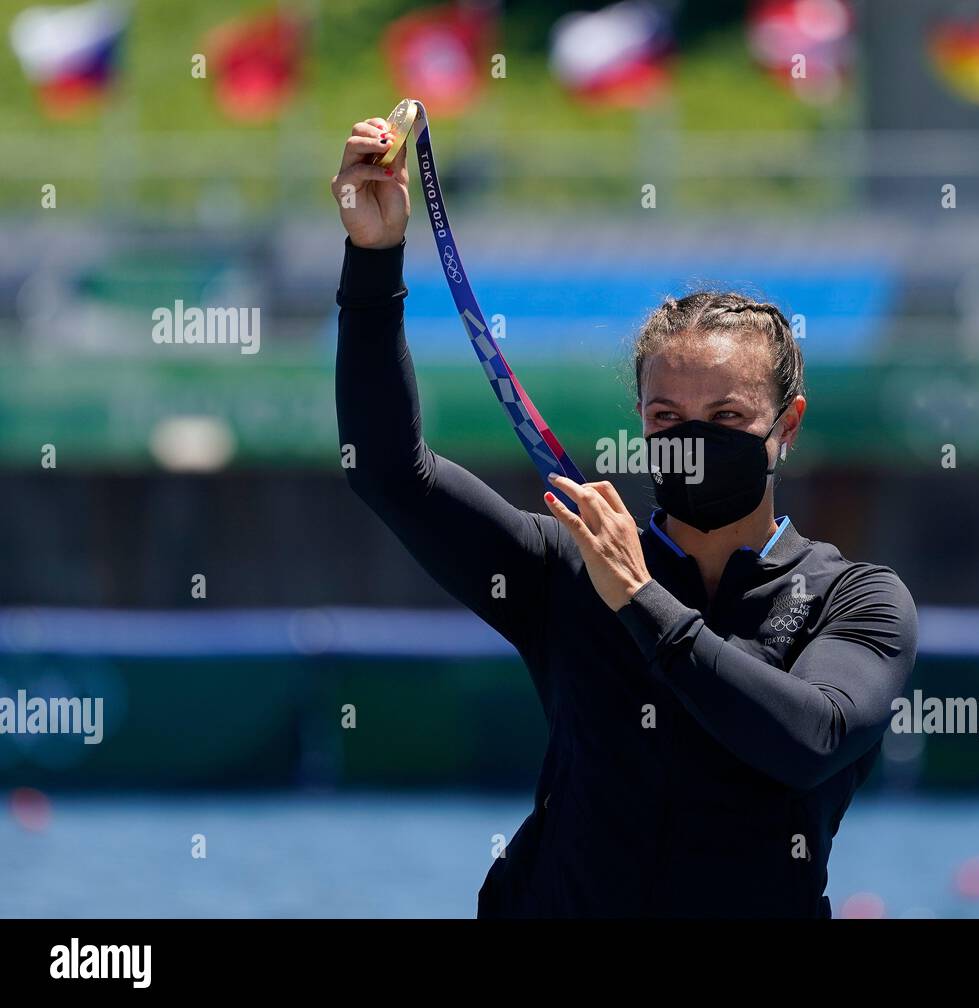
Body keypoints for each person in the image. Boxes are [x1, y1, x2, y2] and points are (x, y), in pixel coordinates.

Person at [332, 115, 918, 918]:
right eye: (668, 418)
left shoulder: (856, 600)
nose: (694, 440)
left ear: (786, 427)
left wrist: (643, 602)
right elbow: (389, 471)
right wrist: (373, 259)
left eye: (727, 415)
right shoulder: (566, 569)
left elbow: (812, 739)